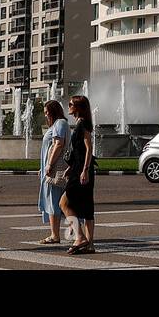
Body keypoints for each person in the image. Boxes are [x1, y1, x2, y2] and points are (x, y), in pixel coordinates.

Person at [58, 94, 96, 254]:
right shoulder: (81, 123)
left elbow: (88, 148)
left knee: (64, 203)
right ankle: (89, 244)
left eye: (71, 104)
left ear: (79, 108)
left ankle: (80, 236)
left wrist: (84, 170)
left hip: (82, 170)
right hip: (79, 168)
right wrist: (70, 167)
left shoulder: (83, 125)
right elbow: (78, 150)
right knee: (87, 207)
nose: (69, 106)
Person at [37, 99, 69, 244]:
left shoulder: (60, 124)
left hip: (55, 170)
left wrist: (49, 164)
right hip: (51, 168)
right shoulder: (59, 124)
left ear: (53, 111)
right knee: (61, 203)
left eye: (47, 112)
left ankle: (54, 235)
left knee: (53, 203)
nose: (45, 115)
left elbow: (58, 144)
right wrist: (43, 167)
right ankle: (75, 233)